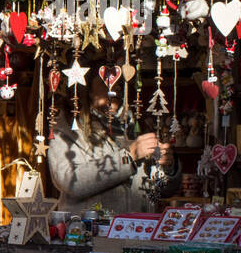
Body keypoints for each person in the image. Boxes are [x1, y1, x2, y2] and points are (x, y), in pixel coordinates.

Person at [47, 64, 181, 213]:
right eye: (106, 81)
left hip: (136, 231)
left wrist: (168, 168)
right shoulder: (67, 128)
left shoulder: (133, 127)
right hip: (90, 231)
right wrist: (129, 157)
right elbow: (71, 181)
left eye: (120, 83)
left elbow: (160, 191)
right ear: (89, 90)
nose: (116, 88)